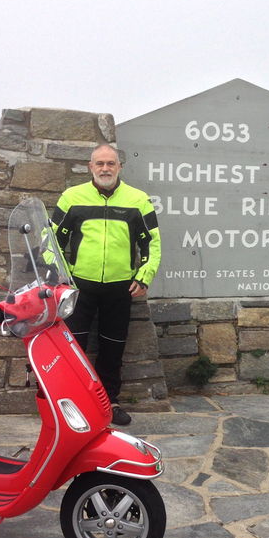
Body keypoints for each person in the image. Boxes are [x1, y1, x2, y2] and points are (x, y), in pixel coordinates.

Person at [52, 144, 161, 425]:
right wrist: (61, 278)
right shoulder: (71, 197)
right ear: (90, 167)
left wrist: (144, 276)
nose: (105, 169)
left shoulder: (138, 200)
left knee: (112, 349)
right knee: (73, 347)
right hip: (79, 288)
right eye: (99, 163)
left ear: (119, 167)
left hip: (120, 288)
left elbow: (152, 243)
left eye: (110, 164)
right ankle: (73, 403)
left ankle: (109, 403)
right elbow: (50, 241)